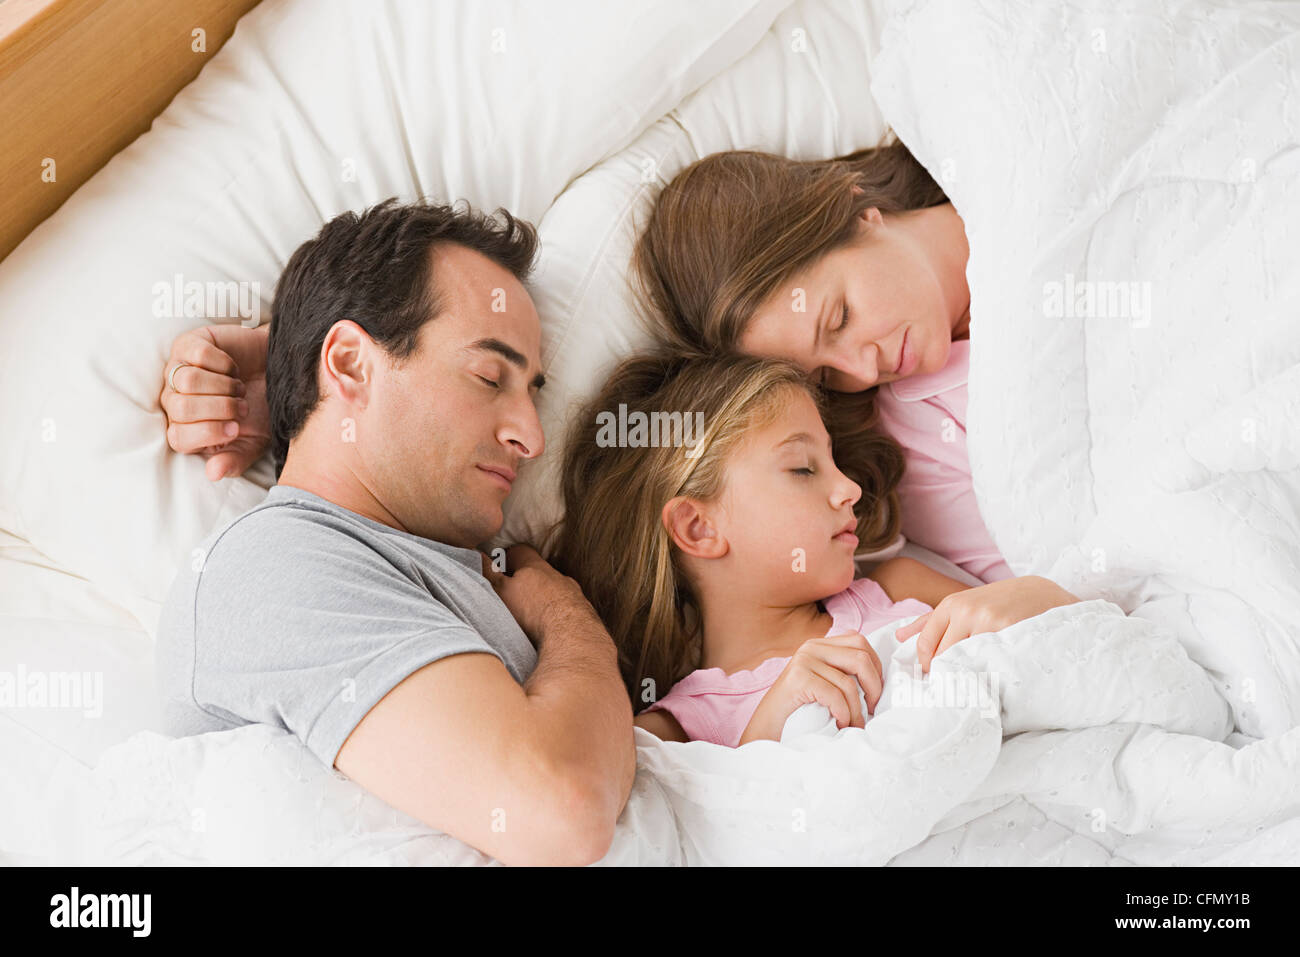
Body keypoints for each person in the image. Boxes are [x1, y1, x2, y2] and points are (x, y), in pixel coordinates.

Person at [155, 198, 635, 866]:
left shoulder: (464, 565)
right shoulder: (271, 566)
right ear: (349, 364)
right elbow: (564, 809)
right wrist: (569, 619)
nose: (532, 435)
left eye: (532, 390)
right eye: (489, 376)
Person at [549, 352, 1078, 746]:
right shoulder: (676, 730)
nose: (849, 488)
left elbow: (1075, 643)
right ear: (699, 528)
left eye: (833, 460)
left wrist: (1032, 598)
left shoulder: (899, 586)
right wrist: (770, 726)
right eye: (803, 468)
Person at [631, 139, 1014, 584]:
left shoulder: (1003, 156)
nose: (864, 371)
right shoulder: (915, 442)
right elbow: (1047, 589)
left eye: (840, 318)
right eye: (826, 376)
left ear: (857, 212)